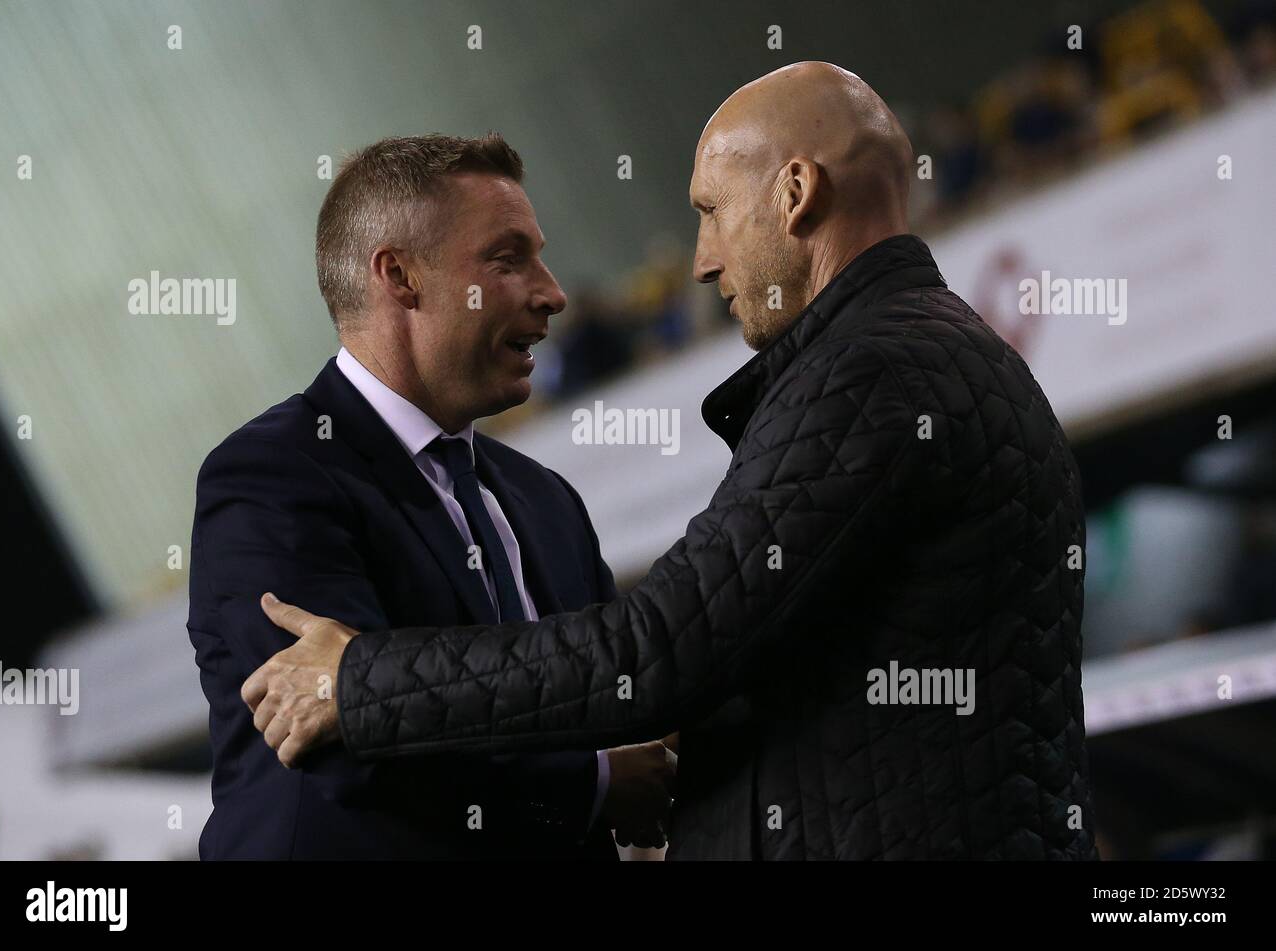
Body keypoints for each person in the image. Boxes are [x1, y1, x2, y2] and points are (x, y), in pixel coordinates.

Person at [245, 64, 1098, 860]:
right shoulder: (922, 352)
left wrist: (359, 680)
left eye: (711, 211)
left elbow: (658, 650)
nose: (702, 261)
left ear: (796, 193)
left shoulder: (871, 371)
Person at [189, 134, 674, 860]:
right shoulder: (269, 478)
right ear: (400, 276)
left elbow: (620, 697)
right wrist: (594, 782)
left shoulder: (546, 500)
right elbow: (342, 739)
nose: (553, 292)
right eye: (508, 260)